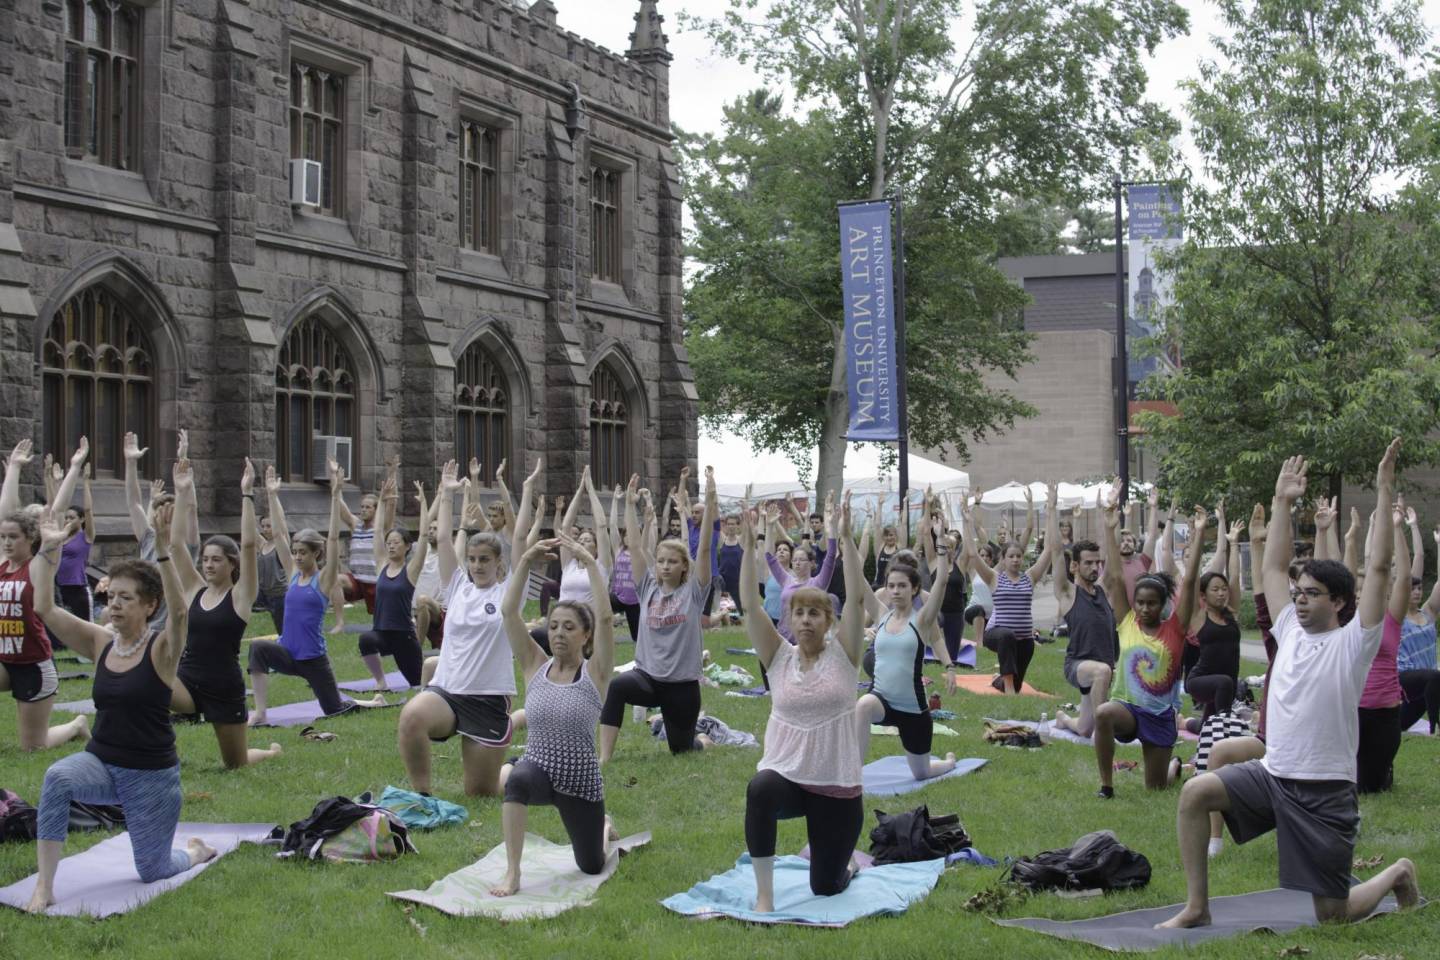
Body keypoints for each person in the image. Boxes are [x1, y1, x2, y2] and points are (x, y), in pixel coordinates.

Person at [1159, 442, 1420, 929]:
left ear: (1340, 602)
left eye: (1312, 595)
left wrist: (1384, 491)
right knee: (1195, 793)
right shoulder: (1290, 631)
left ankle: (1398, 873)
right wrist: (1282, 502)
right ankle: (1197, 906)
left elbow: (1380, 567)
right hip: (1273, 774)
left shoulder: (1354, 642)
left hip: (1324, 791)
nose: (1298, 601)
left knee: (1333, 916)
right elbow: (1275, 568)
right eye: (1298, 595)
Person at [26, 501, 218, 912]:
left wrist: (164, 548)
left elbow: (181, 611)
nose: (113, 605)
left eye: (125, 598)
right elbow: (44, 607)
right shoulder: (100, 642)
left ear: (149, 605)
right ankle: (45, 885)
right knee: (57, 777)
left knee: (153, 870)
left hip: (151, 776)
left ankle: (196, 852)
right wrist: (48, 550)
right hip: (102, 760)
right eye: (111, 596)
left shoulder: (162, 650)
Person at [739, 493, 868, 911]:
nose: (807, 620)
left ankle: (844, 864)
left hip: (836, 788)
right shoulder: (778, 657)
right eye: (800, 614)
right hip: (789, 780)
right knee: (760, 788)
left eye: (816, 613)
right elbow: (749, 604)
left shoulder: (845, 655)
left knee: (825, 888)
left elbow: (860, 601)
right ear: (790, 620)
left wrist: (844, 539)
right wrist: (748, 549)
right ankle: (764, 895)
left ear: (828, 621)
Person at [490, 534, 617, 896]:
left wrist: (591, 564)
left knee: (591, 865)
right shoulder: (535, 665)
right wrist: (526, 558)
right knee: (516, 779)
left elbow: (607, 618)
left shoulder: (596, 674)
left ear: (586, 636)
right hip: (539, 772)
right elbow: (509, 612)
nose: (559, 633)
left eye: (569, 627)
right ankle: (513, 873)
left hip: (580, 783)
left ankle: (604, 827)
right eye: (555, 626)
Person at [397, 459, 523, 796]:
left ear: (499, 563)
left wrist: (506, 493)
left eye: (485, 559)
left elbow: (519, 536)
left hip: (488, 699)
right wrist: (448, 492)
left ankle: (513, 768)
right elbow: (444, 541)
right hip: (449, 692)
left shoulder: (509, 594)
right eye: (472, 559)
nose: (477, 565)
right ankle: (422, 795)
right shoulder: (458, 586)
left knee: (482, 794)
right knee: (412, 717)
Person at [248, 462, 381, 724]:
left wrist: (335, 497)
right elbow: (279, 533)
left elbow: (332, 539)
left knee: (335, 710)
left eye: (303, 553)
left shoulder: (323, 579)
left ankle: (372, 701)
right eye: (295, 552)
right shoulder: (294, 573)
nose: (296, 556)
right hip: (287, 653)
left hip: (313, 660)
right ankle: (261, 712)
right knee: (257, 649)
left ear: (315, 554)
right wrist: (272, 495)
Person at [168, 456, 281, 767]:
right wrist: (181, 492)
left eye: (216, 560)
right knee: (150, 686)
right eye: (205, 559)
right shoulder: (194, 589)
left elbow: (247, 545)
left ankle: (269, 753)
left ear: (231, 564)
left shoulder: (241, 596)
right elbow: (176, 545)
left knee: (235, 764)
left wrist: (246, 494)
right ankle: (150, 754)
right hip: (188, 679)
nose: (208, 565)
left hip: (224, 685)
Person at [599, 467, 717, 760]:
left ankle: (703, 739)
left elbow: (702, 551)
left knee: (682, 749)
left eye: (672, 562)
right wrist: (628, 504)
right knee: (617, 686)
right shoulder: (647, 588)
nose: (664, 566)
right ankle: (604, 756)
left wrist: (711, 500)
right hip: (648, 680)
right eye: (661, 561)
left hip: (683, 686)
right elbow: (636, 546)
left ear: (683, 567)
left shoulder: (693, 592)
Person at [1090, 498, 1200, 799]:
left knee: (1156, 788)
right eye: (1140, 602)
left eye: (1152, 603)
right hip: (1126, 707)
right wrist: (1111, 528)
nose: (1145, 608)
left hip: (1160, 714)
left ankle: (1174, 768)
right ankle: (1106, 786)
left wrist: (1199, 535)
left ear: (1163, 604)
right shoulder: (1127, 623)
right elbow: (1113, 578)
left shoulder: (1175, 630)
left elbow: (1189, 583)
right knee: (1103, 713)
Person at [853, 516, 961, 781]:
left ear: (914, 589)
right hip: (883, 702)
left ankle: (947, 763)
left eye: (902, 586)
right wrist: (844, 535)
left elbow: (942, 583)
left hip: (913, 711)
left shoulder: (922, 620)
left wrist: (942, 546)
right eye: (891, 586)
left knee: (922, 773)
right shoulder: (881, 615)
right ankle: (851, 774)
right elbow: (857, 579)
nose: (896, 591)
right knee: (863, 704)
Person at [0, 440, 91, 751]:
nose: (8, 543)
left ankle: (76, 725)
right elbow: (7, 512)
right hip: (3, 660)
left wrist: (75, 468)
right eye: (4, 538)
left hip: (34, 665)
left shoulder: (40, 564)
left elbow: (57, 511)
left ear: (31, 539)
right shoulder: (2, 563)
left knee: (33, 748)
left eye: (14, 538)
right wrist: (13, 468)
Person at [962, 484, 1058, 693]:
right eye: (1010, 557)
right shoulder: (994, 577)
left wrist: (1051, 510)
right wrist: (967, 522)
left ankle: (1003, 683)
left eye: (1018, 556)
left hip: (1024, 639)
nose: (1015, 560)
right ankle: (1009, 692)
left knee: (1016, 682)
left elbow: (1050, 548)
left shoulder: (1029, 577)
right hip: (996, 635)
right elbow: (972, 553)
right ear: (1003, 560)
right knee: (1006, 637)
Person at [1050, 489, 1117, 737]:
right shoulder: (1068, 594)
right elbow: (1057, 551)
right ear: (1075, 566)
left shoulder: (1102, 590)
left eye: (1096, 563)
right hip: (1078, 666)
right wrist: (1051, 509)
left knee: (1083, 729)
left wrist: (1107, 516)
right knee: (1102, 671)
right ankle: (1105, 733)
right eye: (1088, 563)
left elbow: (1111, 554)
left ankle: (1064, 719)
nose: (1094, 567)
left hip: (1102, 670)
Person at [358, 473, 430, 692]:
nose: (390, 546)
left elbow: (425, 536)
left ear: (407, 546)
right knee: (366, 640)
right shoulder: (382, 565)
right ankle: (381, 682)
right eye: (389, 543)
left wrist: (424, 504)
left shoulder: (410, 570)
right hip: (381, 633)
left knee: (419, 686)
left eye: (396, 543)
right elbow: (378, 531)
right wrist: (381, 500)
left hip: (404, 636)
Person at [1355, 505, 1407, 793]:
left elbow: (1400, 572)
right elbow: (1367, 561)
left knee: (1374, 787)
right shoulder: (1350, 621)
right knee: (1357, 785)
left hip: (1385, 709)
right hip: (1353, 710)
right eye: (1358, 593)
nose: (1365, 596)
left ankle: (1384, 768)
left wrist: (1397, 528)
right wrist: (1371, 529)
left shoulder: (1392, 618)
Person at [1397, 522, 1440, 734]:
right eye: (1412, 589)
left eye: (1420, 588)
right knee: (1433, 678)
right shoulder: (1396, 618)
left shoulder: (1428, 612)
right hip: (1404, 678)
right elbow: (1418, 559)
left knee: (1434, 678)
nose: (1417, 592)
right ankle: (1434, 727)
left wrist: (1439, 544)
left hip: (1427, 686)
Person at [52, 464, 96, 642]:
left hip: (78, 587)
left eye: (72, 518)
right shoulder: (60, 537)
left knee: (86, 628)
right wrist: (56, 483)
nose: (68, 521)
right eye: (67, 518)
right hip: (59, 586)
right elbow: (57, 509)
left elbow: (88, 510)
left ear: (81, 520)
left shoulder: (85, 536)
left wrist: (85, 481)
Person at [255, 513, 289, 635]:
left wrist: (272, 496)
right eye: (263, 526)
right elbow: (249, 529)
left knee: (283, 629)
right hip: (264, 593)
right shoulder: (262, 544)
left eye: (269, 526)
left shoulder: (281, 545)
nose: (265, 529)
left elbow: (282, 525)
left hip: (280, 595)